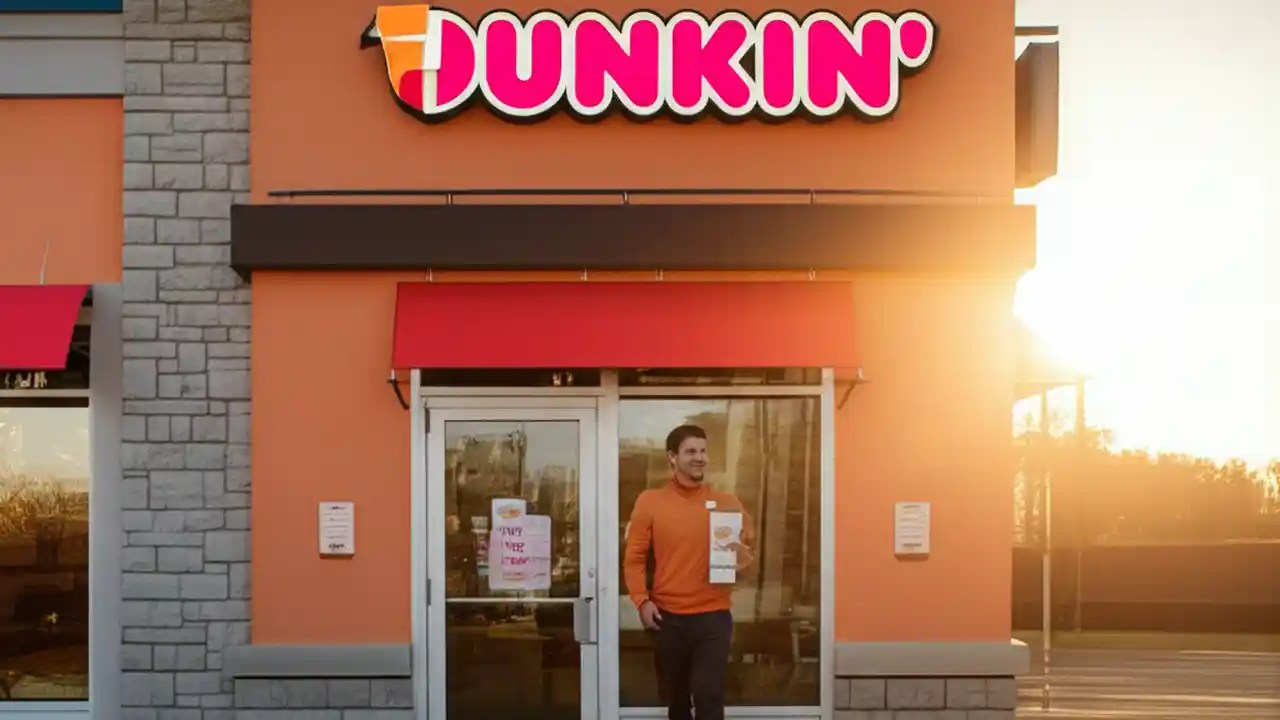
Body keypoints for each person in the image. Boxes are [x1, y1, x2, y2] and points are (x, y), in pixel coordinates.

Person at [624, 424, 754, 720]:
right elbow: (633, 560)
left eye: (703, 451)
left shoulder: (726, 502)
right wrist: (641, 601)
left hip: (713, 617)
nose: (699, 457)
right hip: (668, 620)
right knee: (677, 701)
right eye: (691, 451)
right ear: (672, 457)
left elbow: (746, 547)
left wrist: (743, 555)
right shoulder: (650, 502)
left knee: (708, 695)